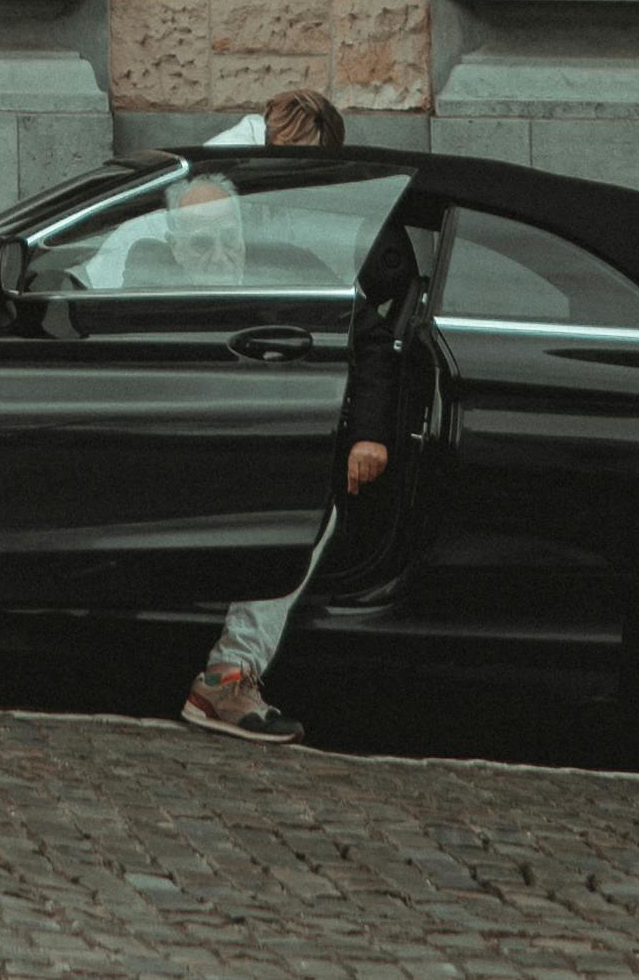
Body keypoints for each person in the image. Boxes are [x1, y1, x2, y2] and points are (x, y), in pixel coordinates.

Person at [180, 141, 445, 744]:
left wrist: (368, 436)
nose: (218, 252)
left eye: (227, 237)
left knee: (304, 510)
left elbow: (372, 349)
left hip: (284, 455)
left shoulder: (292, 270)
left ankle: (228, 675)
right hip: (184, 455)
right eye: (199, 242)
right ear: (173, 246)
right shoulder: (147, 284)